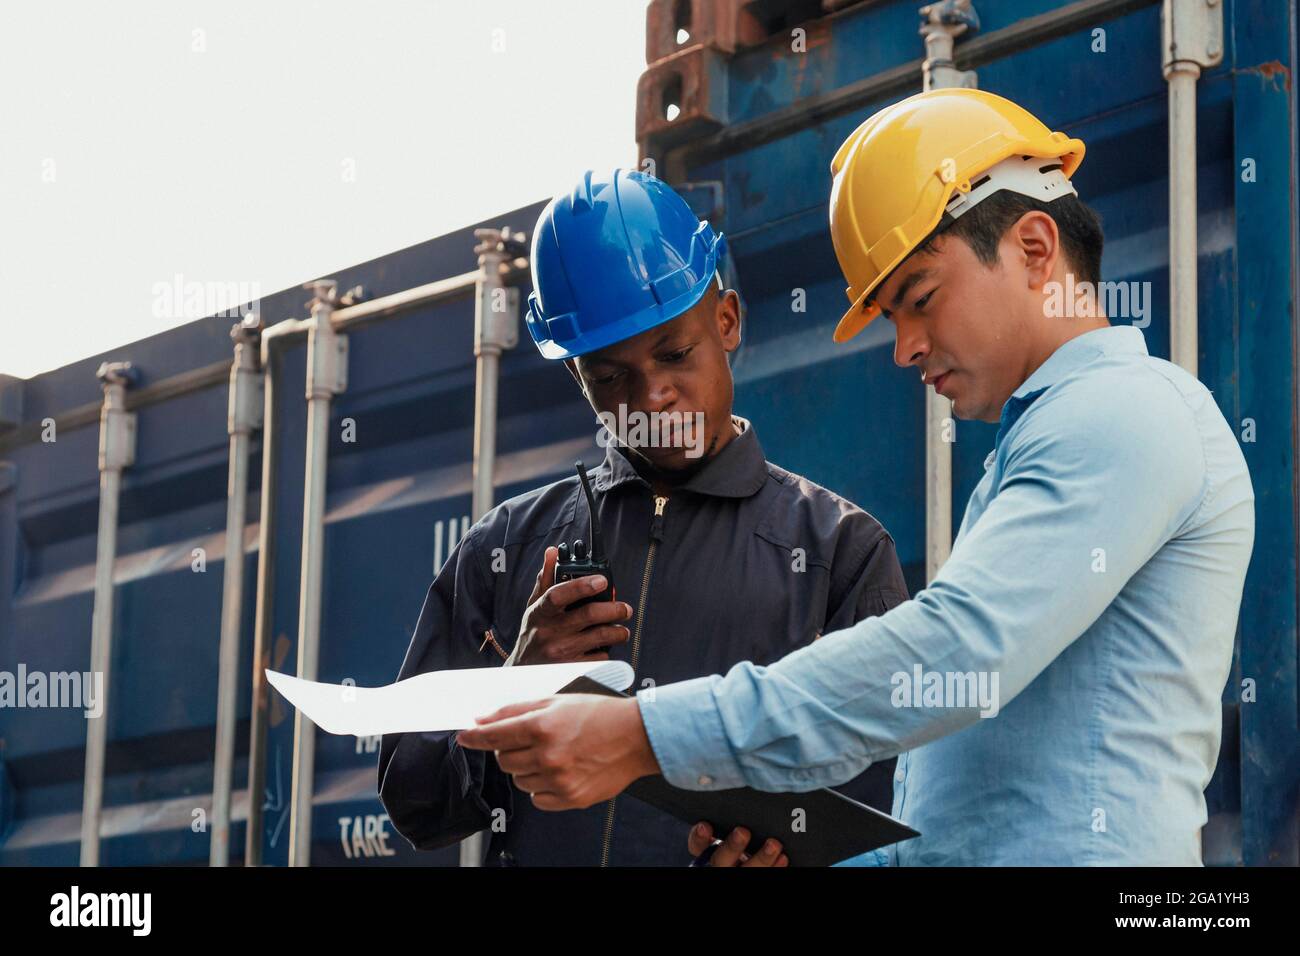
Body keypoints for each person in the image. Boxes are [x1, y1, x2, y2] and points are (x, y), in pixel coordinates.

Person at [456, 90, 1256, 866]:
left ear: (1035, 250)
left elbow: (956, 656)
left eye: (919, 299)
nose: (904, 348)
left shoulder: (1124, 413)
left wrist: (640, 736)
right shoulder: (1049, 443)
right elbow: (967, 822)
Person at [377, 168, 909, 866]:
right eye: (610, 375)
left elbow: (888, 815)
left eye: (674, 353)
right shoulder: (503, 549)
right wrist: (516, 680)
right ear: (577, 377)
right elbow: (414, 800)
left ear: (727, 321)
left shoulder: (841, 553)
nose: (652, 396)